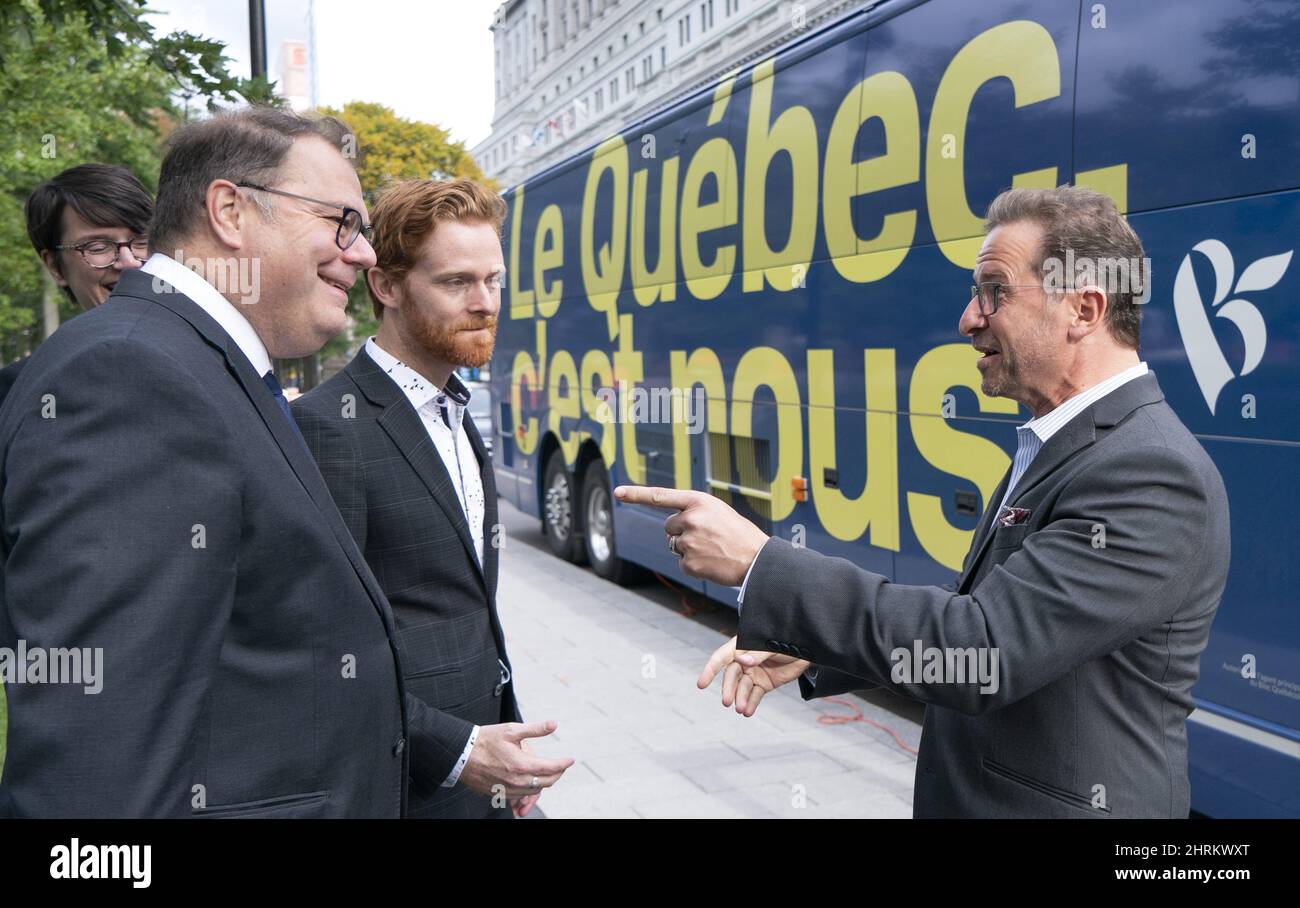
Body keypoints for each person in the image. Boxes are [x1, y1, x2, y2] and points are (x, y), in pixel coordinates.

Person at [616, 186, 1230, 819]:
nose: (969, 318)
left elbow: (984, 650)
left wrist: (760, 563)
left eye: (994, 291)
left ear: (1083, 308)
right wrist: (815, 645)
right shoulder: (1068, 440)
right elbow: (991, 611)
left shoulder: (1150, 471)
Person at [0, 107, 414, 817]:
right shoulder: (129, 372)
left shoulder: (198, 363)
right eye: (343, 221)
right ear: (229, 209)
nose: (366, 254)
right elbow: (96, 768)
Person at [293, 179, 572, 818]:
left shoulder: (454, 412)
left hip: (490, 776)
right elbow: (318, 651)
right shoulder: (329, 426)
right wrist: (457, 751)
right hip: (407, 789)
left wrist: (506, 750)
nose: (485, 303)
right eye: (456, 283)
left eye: (494, 280)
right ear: (386, 286)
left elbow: (465, 611)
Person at [1, 164, 153, 401]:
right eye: (98, 247)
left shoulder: (217, 356)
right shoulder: (16, 396)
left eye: (142, 241)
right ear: (55, 267)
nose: (129, 262)